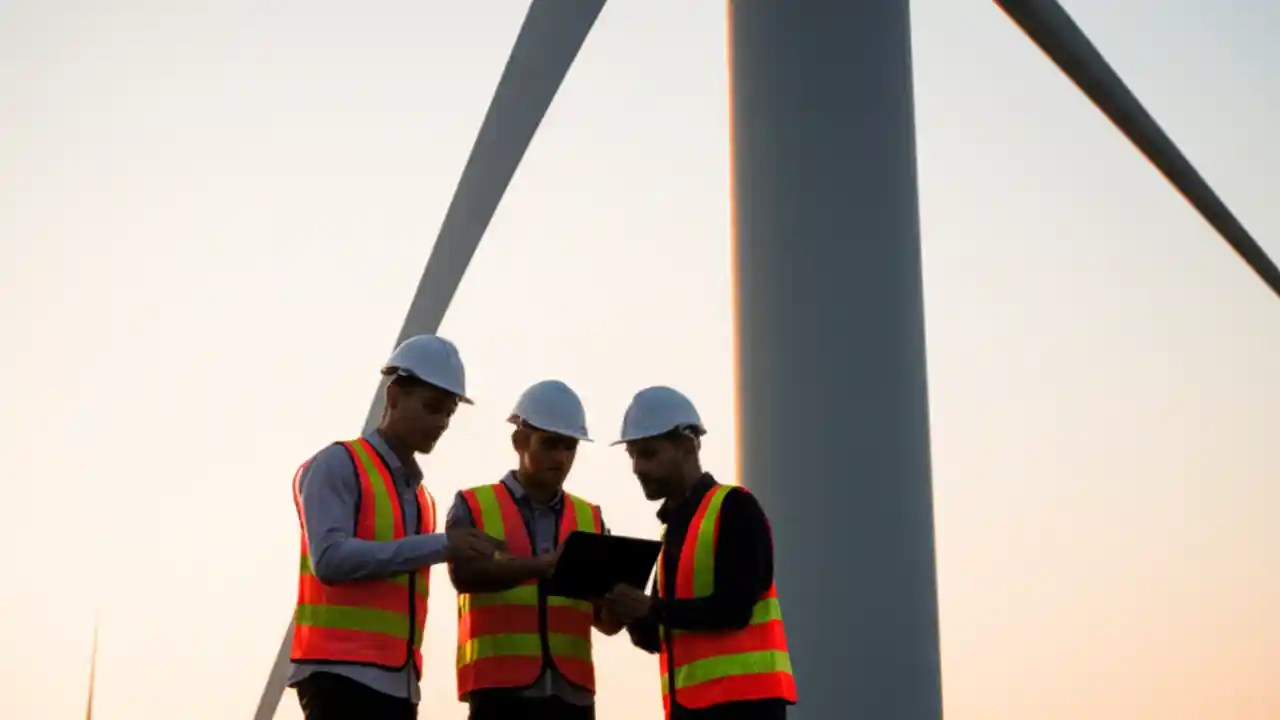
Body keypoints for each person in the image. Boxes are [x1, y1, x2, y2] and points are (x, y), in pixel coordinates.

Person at [287, 334, 504, 720]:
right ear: (394, 397)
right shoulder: (338, 464)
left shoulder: (421, 497)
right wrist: (442, 546)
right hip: (339, 678)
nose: (441, 423)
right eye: (432, 407)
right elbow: (330, 560)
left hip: (398, 682)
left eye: (448, 414)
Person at [602, 386, 798, 720]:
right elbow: (659, 637)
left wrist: (653, 608)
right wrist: (631, 611)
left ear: (687, 446)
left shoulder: (734, 507)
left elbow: (734, 609)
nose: (637, 467)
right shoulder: (674, 530)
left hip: (746, 708)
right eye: (632, 456)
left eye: (648, 454)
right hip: (689, 709)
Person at [446, 379, 623, 720]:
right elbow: (464, 574)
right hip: (499, 695)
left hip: (572, 697)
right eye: (550, 445)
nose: (561, 457)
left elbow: (606, 622)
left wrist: (619, 605)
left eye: (569, 447)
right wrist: (542, 566)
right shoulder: (474, 505)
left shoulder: (590, 517)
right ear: (519, 440)